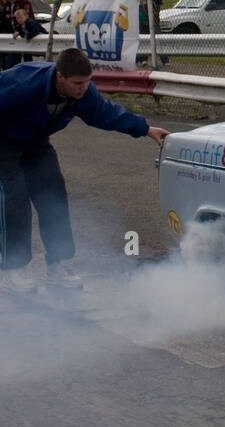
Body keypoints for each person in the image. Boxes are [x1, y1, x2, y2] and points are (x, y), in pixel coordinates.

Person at [0, 48, 169, 295]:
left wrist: (145, 129)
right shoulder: (23, 84)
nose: (83, 88)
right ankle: (13, 269)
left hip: (36, 142)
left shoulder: (83, 92)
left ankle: (58, 264)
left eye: (87, 82)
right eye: (77, 83)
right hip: (4, 143)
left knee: (53, 197)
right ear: (60, 77)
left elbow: (105, 113)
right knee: (14, 200)